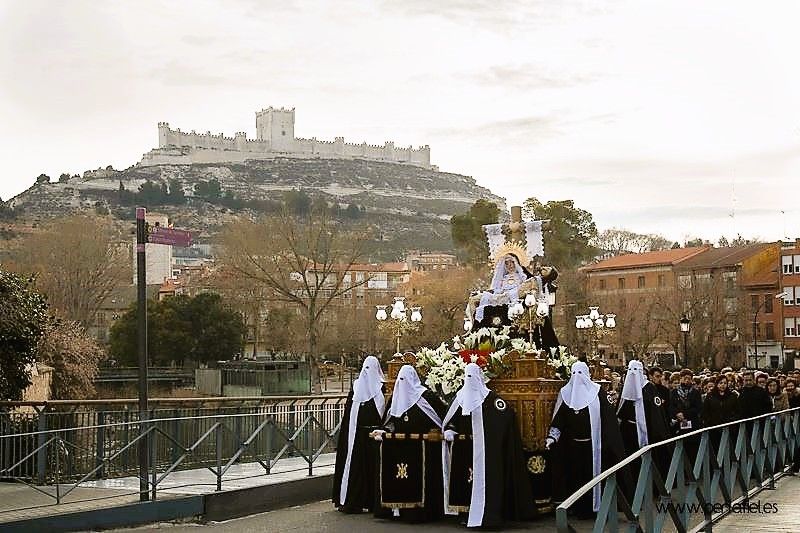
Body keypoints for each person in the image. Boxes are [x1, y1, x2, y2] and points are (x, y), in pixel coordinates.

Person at [442, 363, 533, 528]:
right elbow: (451, 419)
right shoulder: (459, 398)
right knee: (465, 482)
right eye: (467, 376)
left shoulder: (491, 399)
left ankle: (489, 517)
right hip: (464, 450)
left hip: (487, 453)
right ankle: (466, 514)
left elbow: (505, 417)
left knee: (488, 484)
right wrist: (450, 429)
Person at [546, 361, 630, 518]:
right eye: (574, 373)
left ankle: (596, 508)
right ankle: (578, 508)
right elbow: (559, 419)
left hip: (594, 446)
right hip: (573, 447)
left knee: (593, 478)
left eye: (580, 373)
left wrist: (608, 442)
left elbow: (607, 419)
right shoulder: (565, 393)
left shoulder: (597, 392)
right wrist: (553, 437)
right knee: (575, 478)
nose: (577, 377)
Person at [373, 365, 448, 522]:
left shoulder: (426, 397)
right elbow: (389, 421)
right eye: (400, 380)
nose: (403, 383)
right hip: (399, 448)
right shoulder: (396, 397)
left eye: (405, 379)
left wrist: (439, 431)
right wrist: (383, 432)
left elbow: (443, 418)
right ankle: (398, 510)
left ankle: (423, 512)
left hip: (424, 448)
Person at [333, 356, 386, 513]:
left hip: (374, 436)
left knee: (373, 469)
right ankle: (354, 501)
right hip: (357, 437)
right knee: (357, 469)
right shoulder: (356, 388)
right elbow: (350, 415)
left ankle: (373, 502)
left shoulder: (382, 388)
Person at [616, 360, 671, 478]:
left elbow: (656, 413)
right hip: (629, 431)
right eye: (630, 371)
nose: (633, 374)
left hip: (647, 430)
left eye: (636, 371)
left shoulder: (649, 388)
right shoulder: (626, 388)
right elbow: (620, 410)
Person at [669, 369, 702, 436]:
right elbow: (671, 406)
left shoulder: (695, 392)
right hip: (678, 423)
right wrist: (677, 413)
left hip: (692, 422)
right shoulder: (674, 392)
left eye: (689, 379)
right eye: (685, 378)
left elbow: (698, 407)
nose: (686, 380)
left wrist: (684, 414)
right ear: (681, 378)